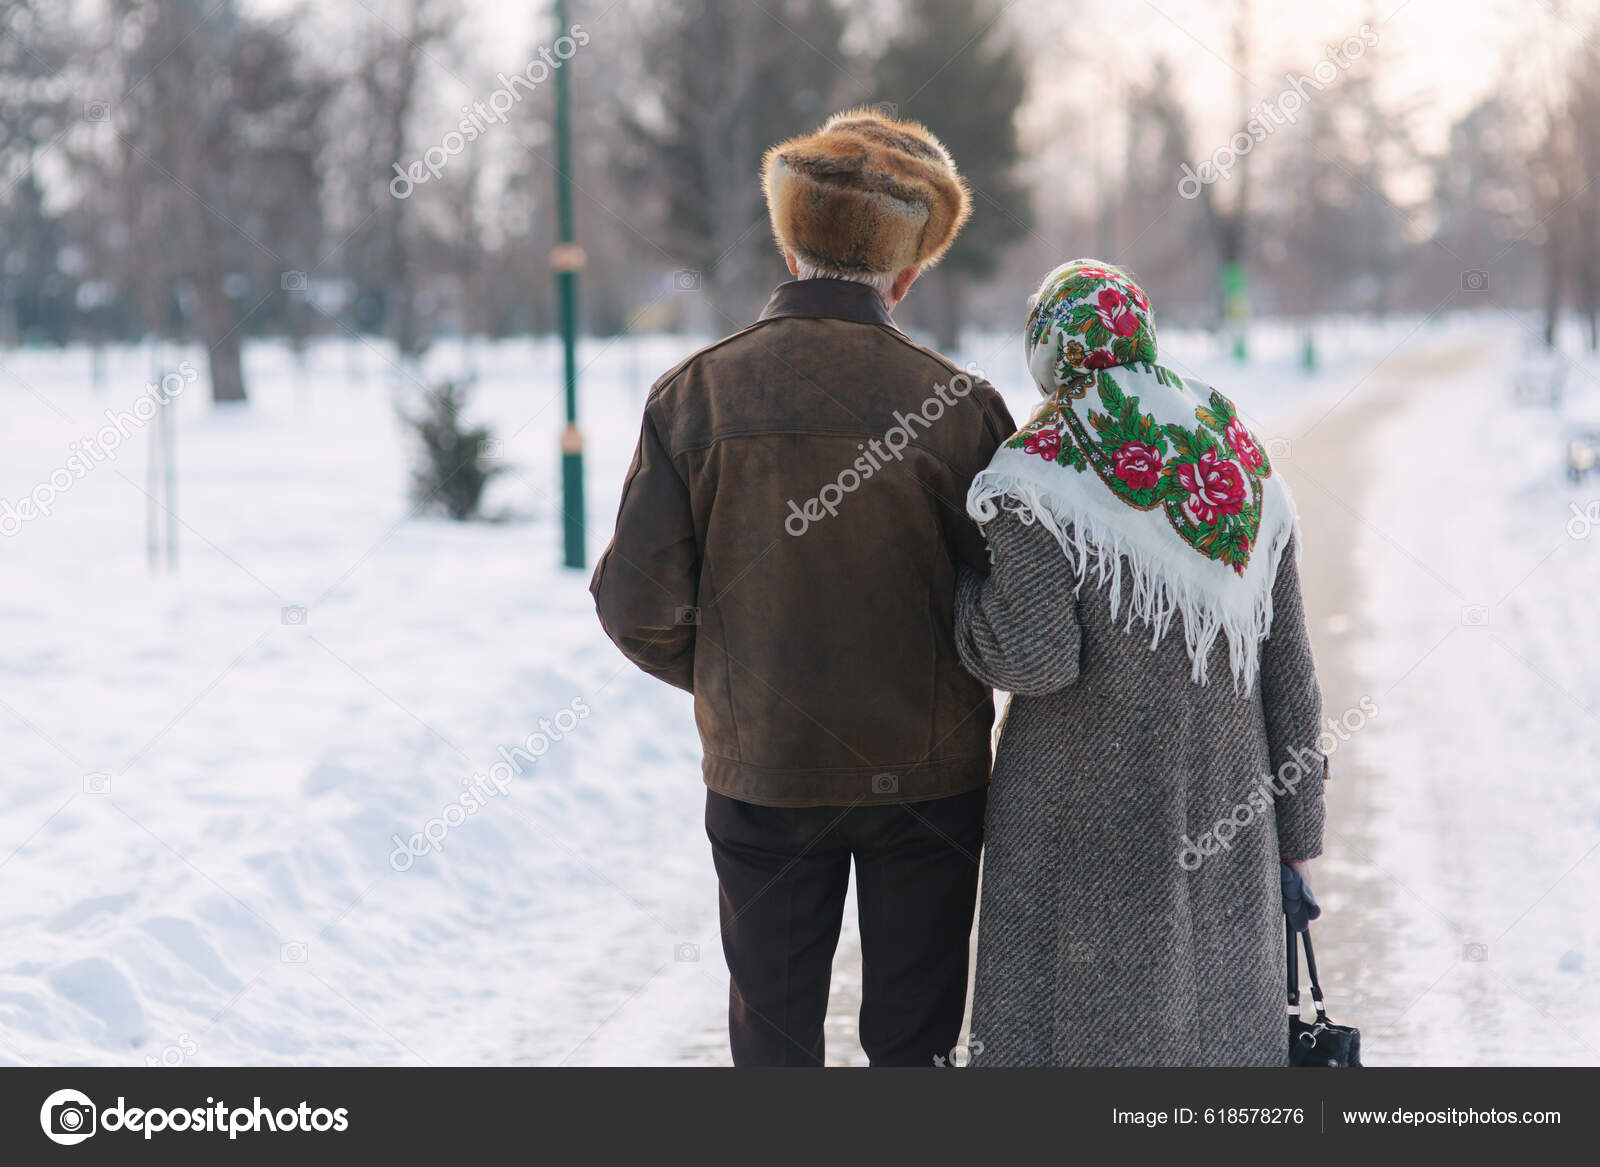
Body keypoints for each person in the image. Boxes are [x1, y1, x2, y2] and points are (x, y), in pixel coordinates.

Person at [591, 108, 1016, 1066]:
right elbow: (1013, 607)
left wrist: (736, 677)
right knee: (914, 1044)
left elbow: (635, 606)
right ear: (904, 274)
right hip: (929, 780)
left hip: (765, 773)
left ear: (790, 250)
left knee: (774, 1045)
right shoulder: (963, 407)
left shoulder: (692, 395)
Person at [956, 259, 1327, 1066]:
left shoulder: (1037, 464)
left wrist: (954, 599)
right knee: (1219, 1037)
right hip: (1232, 805)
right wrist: (1296, 835)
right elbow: (1289, 663)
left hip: (1079, 818)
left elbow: (1037, 655)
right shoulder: (1235, 453)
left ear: (1052, 349)